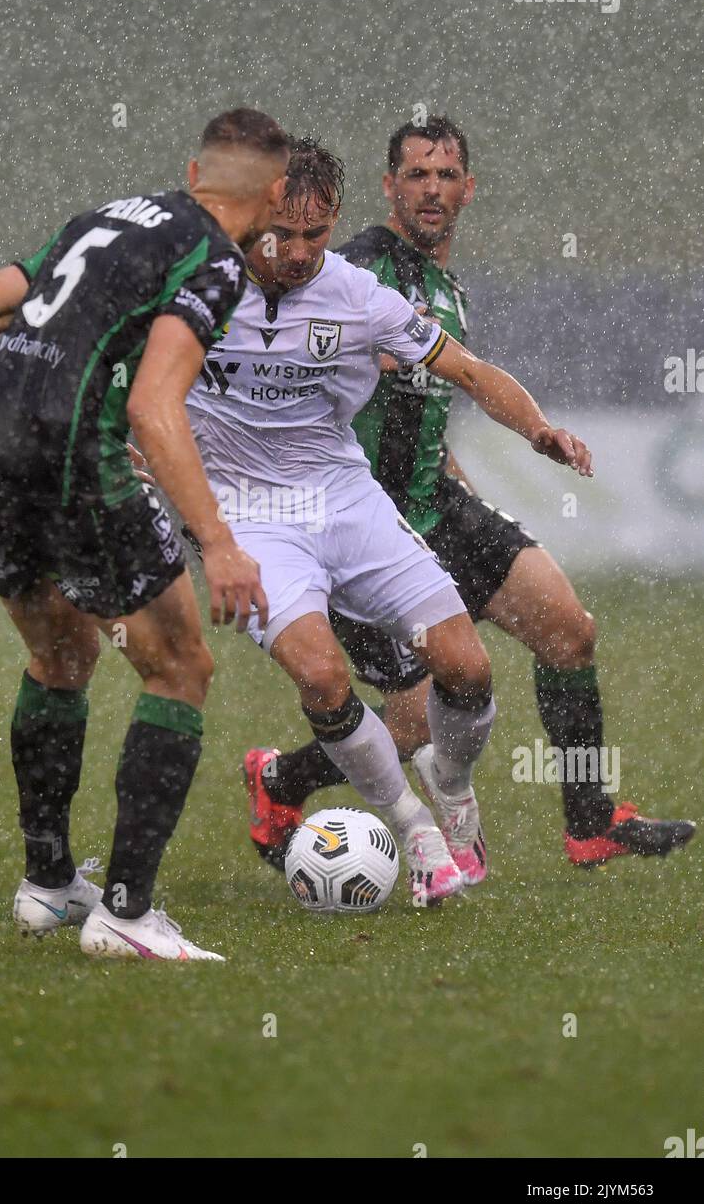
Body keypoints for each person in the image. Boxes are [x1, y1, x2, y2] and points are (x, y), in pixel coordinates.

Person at [0, 107, 290, 961]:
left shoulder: (101, 221)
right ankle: (128, 916)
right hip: (68, 464)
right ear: (276, 195)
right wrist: (219, 544)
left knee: (61, 660)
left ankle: (49, 885)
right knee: (179, 668)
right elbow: (153, 404)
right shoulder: (212, 259)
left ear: (193, 169)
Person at [252, 117, 695, 873]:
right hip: (363, 516)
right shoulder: (355, 264)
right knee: (413, 723)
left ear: (468, 188)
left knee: (569, 629)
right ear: (389, 186)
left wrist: (487, 466)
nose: (432, 190)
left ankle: (589, 822)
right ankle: (281, 780)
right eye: (416, 175)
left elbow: (432, 398)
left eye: (446, 175)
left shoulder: (446, 287)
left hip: (436, 502)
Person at [184, 139, 592, 906]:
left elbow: (469, 372)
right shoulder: (195, 289)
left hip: (346, 498)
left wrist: (540, 432)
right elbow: (124, 375)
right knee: (321, 674)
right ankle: (416, 831)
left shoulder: (357, 294)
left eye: (318, 233)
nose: (301, 252)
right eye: (284, 233)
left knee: (467, 669)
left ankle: (452, 782)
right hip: (252, 520)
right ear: (253, 216)